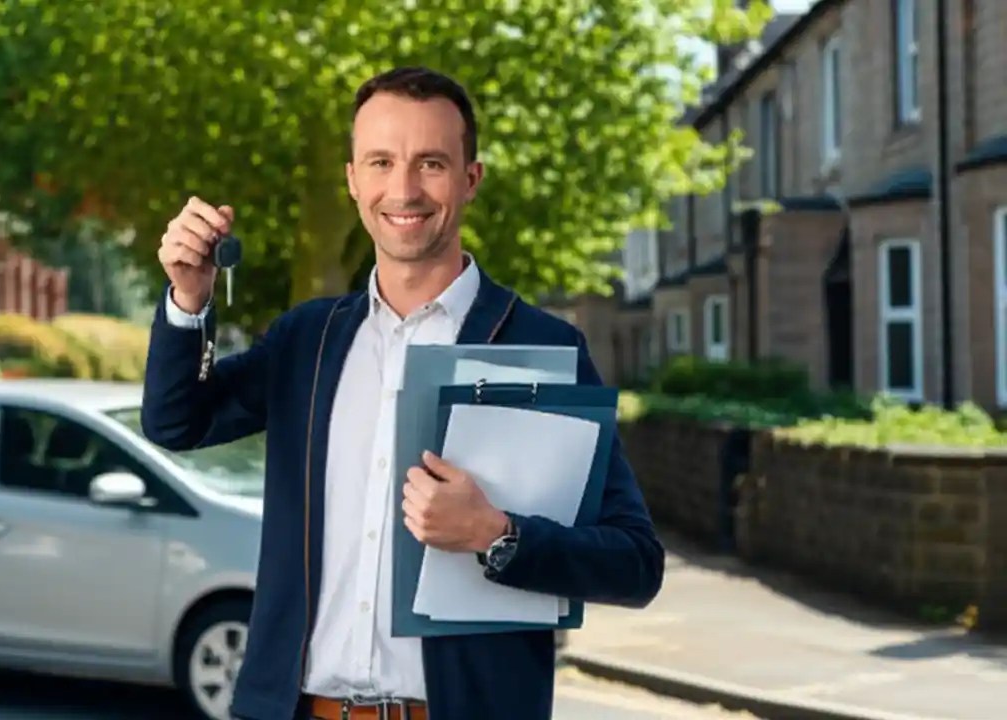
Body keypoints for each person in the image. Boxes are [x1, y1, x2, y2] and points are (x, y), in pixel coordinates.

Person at [142, 66, 664, 720]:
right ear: (353, 179)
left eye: (432, 164)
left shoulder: (542, 349)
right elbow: (173, 422)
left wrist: (498, 535)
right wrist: (189, 299)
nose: (403, 188)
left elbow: (635, 563)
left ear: (470, 180)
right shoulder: (308, 339)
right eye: (381, 161)